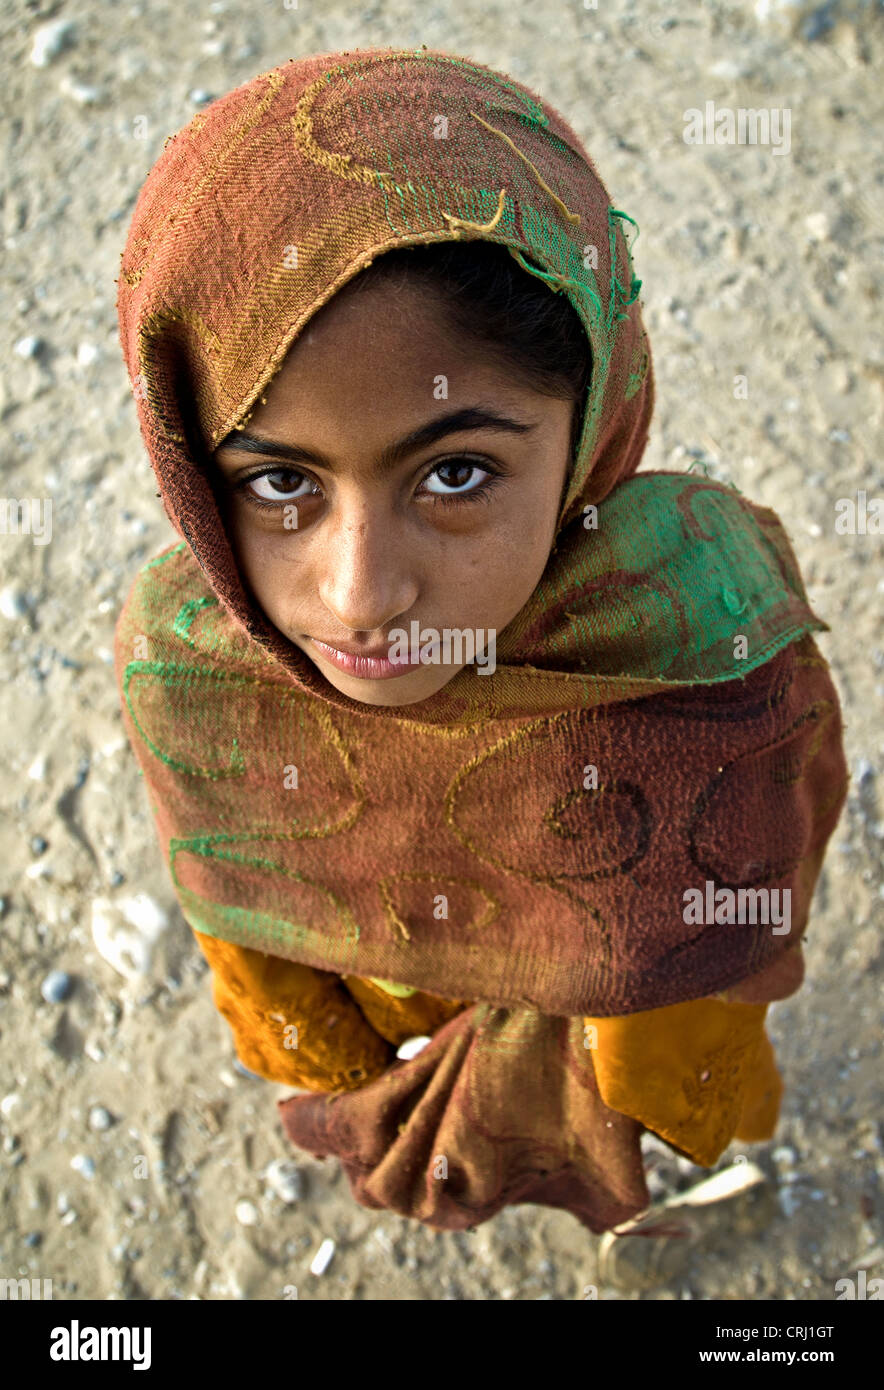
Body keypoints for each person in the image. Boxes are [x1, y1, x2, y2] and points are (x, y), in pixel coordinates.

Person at [113, 47, 848, 1259]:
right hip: (390, 1008)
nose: (362, 595)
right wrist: (350, 1067)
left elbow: (743, 895)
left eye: (455, 473)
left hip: (628, 1035)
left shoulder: (689, 643)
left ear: (591, 420)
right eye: (280, 481)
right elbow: (255, 946)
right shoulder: (195, 675)